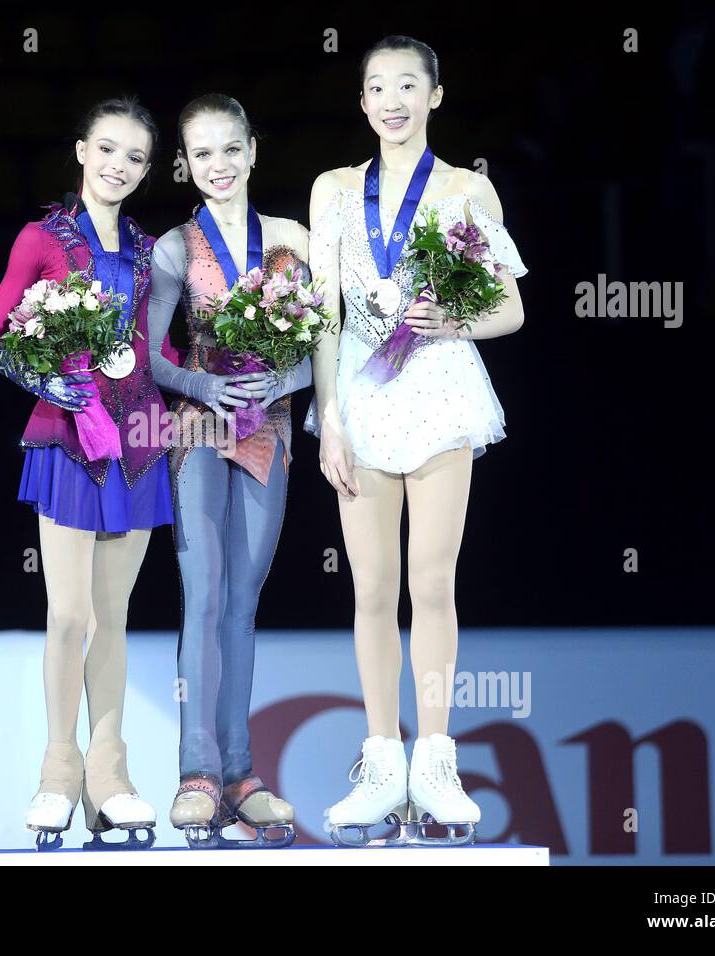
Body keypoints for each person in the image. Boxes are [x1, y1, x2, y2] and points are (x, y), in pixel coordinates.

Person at [304, 36, 528, 846]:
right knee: (369, 590)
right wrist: (328, 416)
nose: (391, 99)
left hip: (438, 391)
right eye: (375, 87)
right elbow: (323, 316)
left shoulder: (469, 189)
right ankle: (380, 764)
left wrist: (450, 319)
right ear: (362, 103)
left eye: (407, 84)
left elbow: (510, 310)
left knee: (431, 585)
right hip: (360, 398)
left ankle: (435, 762)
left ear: (435, 95)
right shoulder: (333, 189)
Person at [0, 97, 173, 847]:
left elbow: (156, 352)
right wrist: (50, 382)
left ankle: (109, 775)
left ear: (147, 171)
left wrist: (220, 392)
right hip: (67, 439)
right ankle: (59, 768)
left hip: (141, 444)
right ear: (82, 150)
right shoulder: (40, 238)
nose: (119, 166)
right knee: (70, 616)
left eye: (136, 158)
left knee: (114, 617)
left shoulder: (150, 252)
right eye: (108, 150)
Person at [147, 94, 313, 848]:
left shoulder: (290, 238)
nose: (218, 165)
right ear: (187, 163)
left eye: (230, 149)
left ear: (252, 149)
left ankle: (242, 777)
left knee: (243, 600)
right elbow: (148, 355)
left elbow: (326, 342)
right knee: (204, 593)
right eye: (202, 154)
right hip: (199, 427)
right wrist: (202, 384)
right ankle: (196, 774)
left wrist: (285, 381)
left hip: (268, 432)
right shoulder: (177, 246)